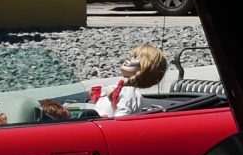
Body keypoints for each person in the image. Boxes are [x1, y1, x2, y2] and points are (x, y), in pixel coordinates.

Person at [40, 45, 169, 121]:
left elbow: (119, 124)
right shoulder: (117, 88)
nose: (127, 60)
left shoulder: (129, 94)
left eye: (134, 59)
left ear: (144, 67)